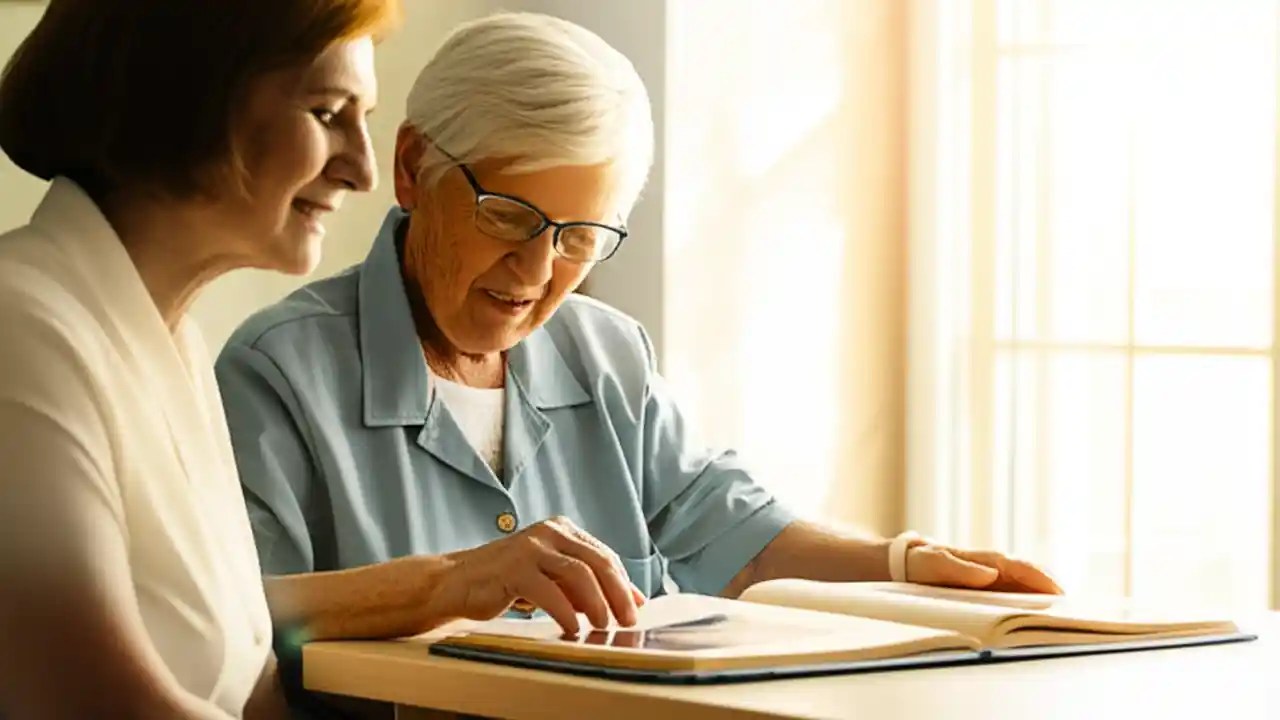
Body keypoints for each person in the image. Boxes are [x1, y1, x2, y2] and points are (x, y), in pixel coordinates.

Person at [216, 10, 1060, 668]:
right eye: (509, 215)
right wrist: (451, 582)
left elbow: (737, 542)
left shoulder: (608, 354)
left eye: (580, 235)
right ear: (411, 168)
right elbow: (241, 621)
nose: (539, 269)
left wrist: (910, 564)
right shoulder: (278, 374)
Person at [0, 0, 398, 717]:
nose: (363, 171)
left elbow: (250, 688)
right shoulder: (19, 324)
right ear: (188, 94)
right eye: (329, 112)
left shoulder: (173, 338)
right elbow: (90, 702)